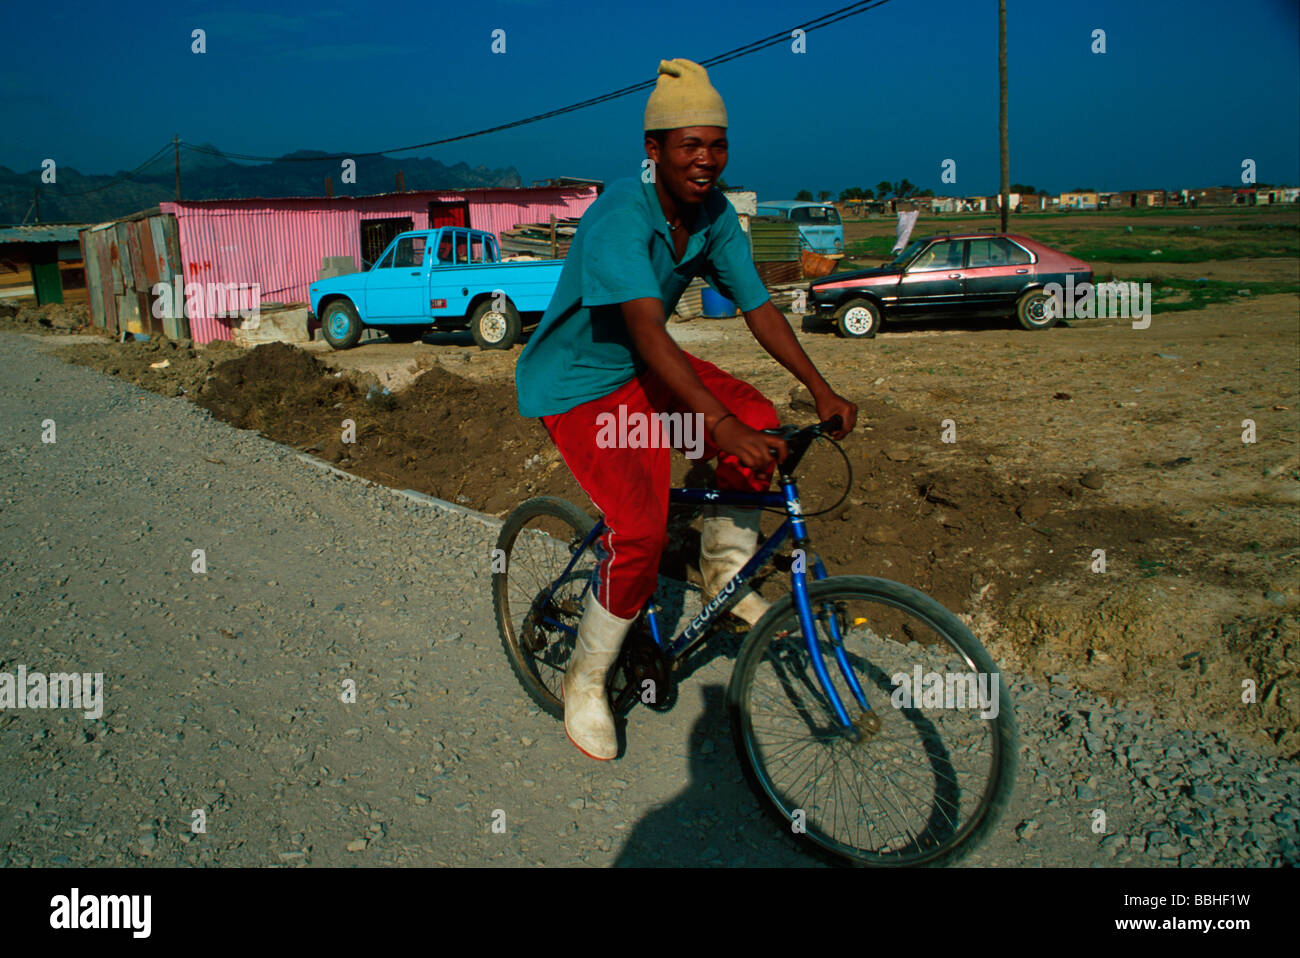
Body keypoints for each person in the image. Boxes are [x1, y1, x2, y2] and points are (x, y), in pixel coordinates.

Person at [514, 58, 857, 761]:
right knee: (638, 529)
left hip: (646, 367)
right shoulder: (619, 216)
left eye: (718, 144)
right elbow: (645, 329)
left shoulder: (714, 215)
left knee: (763, 424)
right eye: (689, 145)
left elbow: (758, 307)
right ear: (654, 150)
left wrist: (820, 389)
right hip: (581, 384)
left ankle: (722, 571)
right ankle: (586, 679)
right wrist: (716, 424)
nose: (707, 160)